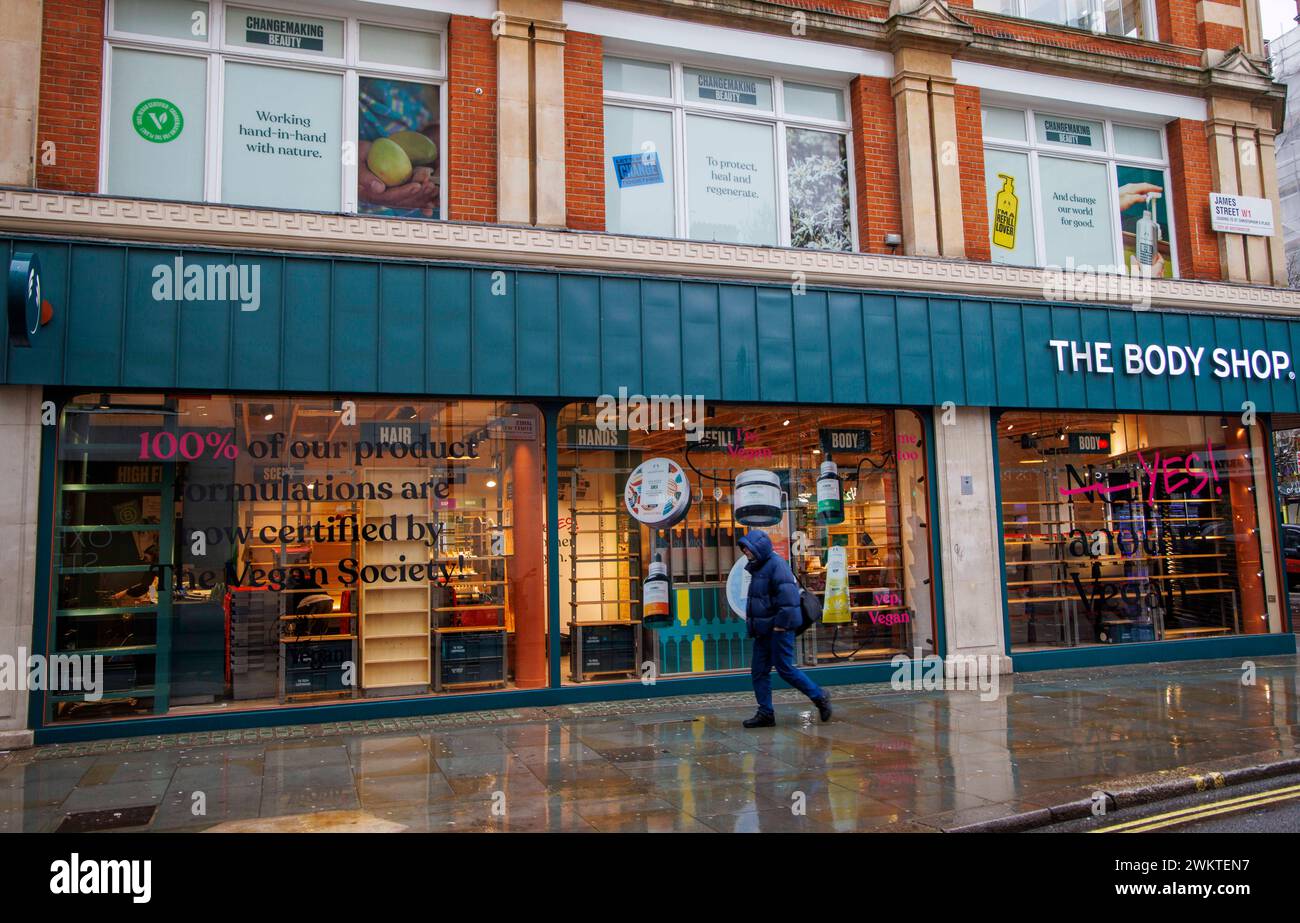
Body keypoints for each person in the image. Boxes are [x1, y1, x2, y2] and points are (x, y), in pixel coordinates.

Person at [738, 529, 832, 727]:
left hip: (779, 630)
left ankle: (820, 696)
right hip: (764, 631)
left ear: (759, 547)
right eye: (744, 548)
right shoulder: (759, 566)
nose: (745, 551)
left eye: (748, 547)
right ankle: (765, 712)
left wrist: (781, 627)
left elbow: (788, 601)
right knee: (759, 672)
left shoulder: (776, 565)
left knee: (785, 669)